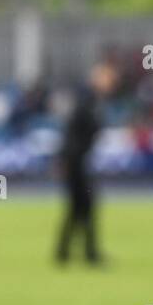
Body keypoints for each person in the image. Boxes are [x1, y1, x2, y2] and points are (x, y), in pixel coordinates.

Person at [55, 60, 115, 266]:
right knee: (85, 207)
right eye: (107, 78)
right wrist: (65, 160)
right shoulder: (87, 102)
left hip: (77, 160)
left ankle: (64, 252)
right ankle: (89, 253)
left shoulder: (91, 101)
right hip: (76, 162)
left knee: (77, 208)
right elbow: (72, 133)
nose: (111, 83)